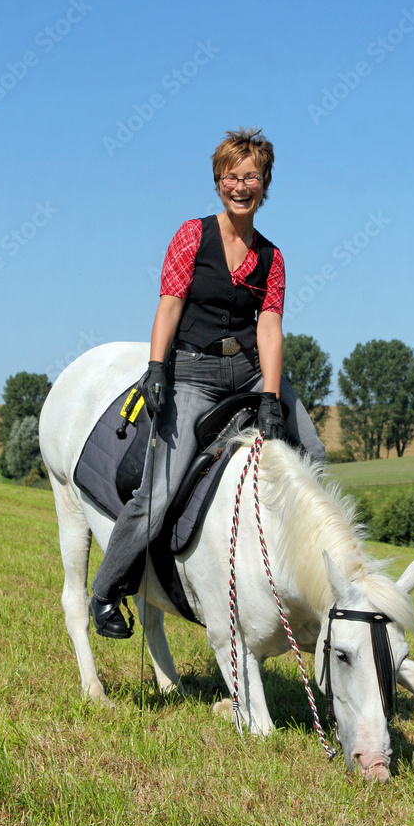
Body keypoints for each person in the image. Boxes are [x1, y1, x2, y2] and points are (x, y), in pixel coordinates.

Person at [92, 126, 325, 638]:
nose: (241, 186)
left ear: (266, 184)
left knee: (315, 454)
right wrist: (157, 368)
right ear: (218, 181)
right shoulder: (191, 235)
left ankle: (323, 584)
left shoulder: (272, 256)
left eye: (252, 177)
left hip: (248, 369)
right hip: (193, 372)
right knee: (158, 493)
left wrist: (270, 394)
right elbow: (170, 304)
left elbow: (268, 326)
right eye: (231, 176)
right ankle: (106, 590)